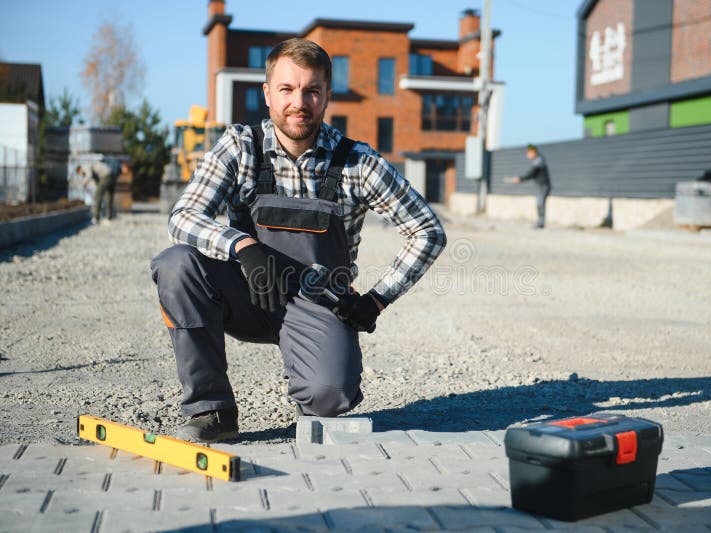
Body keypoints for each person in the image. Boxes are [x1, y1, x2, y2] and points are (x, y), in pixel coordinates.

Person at [150, 38, 447, 443]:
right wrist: (243, 247)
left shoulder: (356, 162)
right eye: (287, 89)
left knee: (331, 396)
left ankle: (313, 394)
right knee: (177, 264)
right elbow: (183, 217)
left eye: (312, 90)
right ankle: (212, 411)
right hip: (249, 292)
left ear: (326, 97)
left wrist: (378, 299)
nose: (299, 102)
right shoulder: (240, 146)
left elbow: (428, 230)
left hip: (319, 304)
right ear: (268, 93)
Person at [506, 144, 551, 228]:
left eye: (529, 153)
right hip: (540, 186)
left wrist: (521, 178)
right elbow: (532, 173)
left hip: (544, 186)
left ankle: (540, 223)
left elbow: (532, 172)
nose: (527, 155)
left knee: (540, 204)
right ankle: (540, 222)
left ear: (533, 152)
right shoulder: (538, 160)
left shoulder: (539, 161)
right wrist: (522, 178)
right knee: (539, 204)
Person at [76, 158, 122, 224]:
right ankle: (109, 217)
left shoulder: (85, 167)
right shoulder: (92, 165)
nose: (82, 175)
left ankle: (96, 218)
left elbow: (89, 175)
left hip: (105, 177)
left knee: (98, 197)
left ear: (79, 170)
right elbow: (96, 180)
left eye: (81, 174)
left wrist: (83, 183)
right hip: (111, 176)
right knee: (109, 198)